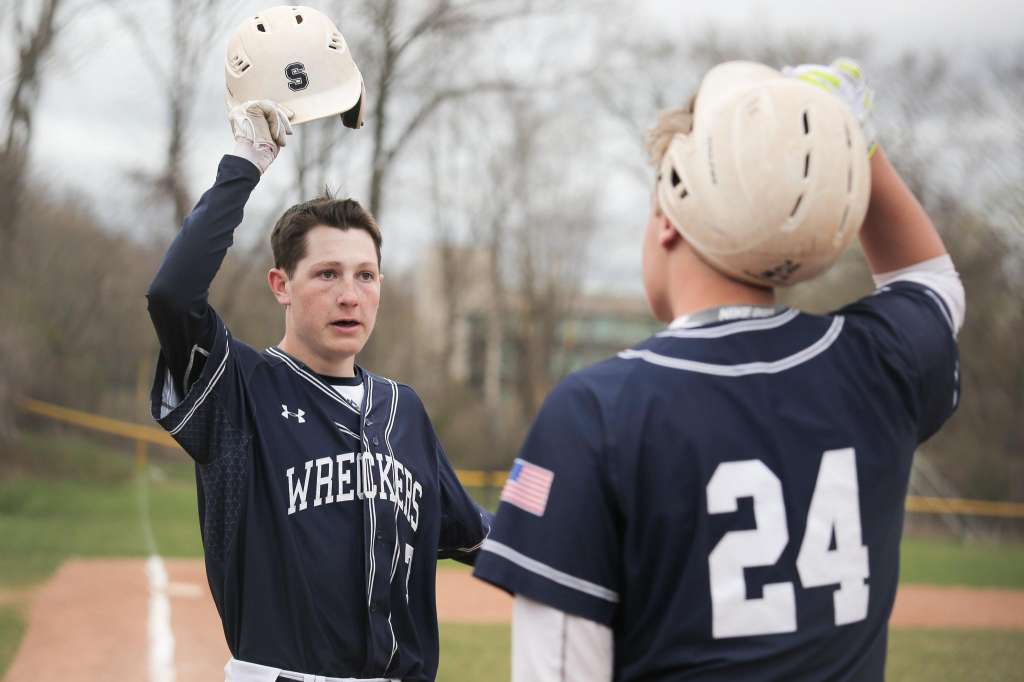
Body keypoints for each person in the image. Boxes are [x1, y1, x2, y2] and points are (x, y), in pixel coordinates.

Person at [472, 60, 965, 681]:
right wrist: (849, 139)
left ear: (669, 215)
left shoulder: (597, 411)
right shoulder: (875, 366)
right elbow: (932, 284)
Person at [146, 99, 491, 682]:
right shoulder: (240, 389)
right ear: (281, 284)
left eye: (365, 275)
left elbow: (476, 535)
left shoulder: (403, 410)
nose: (350, 295)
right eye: (327, 274)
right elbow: (173, 295)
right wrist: (246, 162)